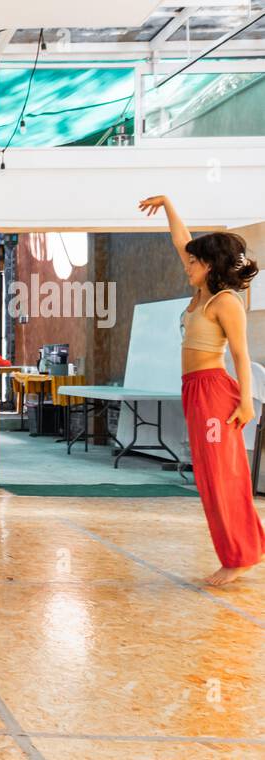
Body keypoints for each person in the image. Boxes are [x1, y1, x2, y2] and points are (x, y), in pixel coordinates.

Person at [140, 195, 263, 585]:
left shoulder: (226, 302)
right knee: (208, 477)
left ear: (208, 265)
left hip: (213, 392)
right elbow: (182, 241)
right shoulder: (200, 293)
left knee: (221, 476)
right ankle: (246, 548)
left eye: (193, 261)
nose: (186, 265)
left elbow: (242, 357)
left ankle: (239, 556)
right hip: (194, 390)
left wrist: (246, 403)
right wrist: (169, 205)